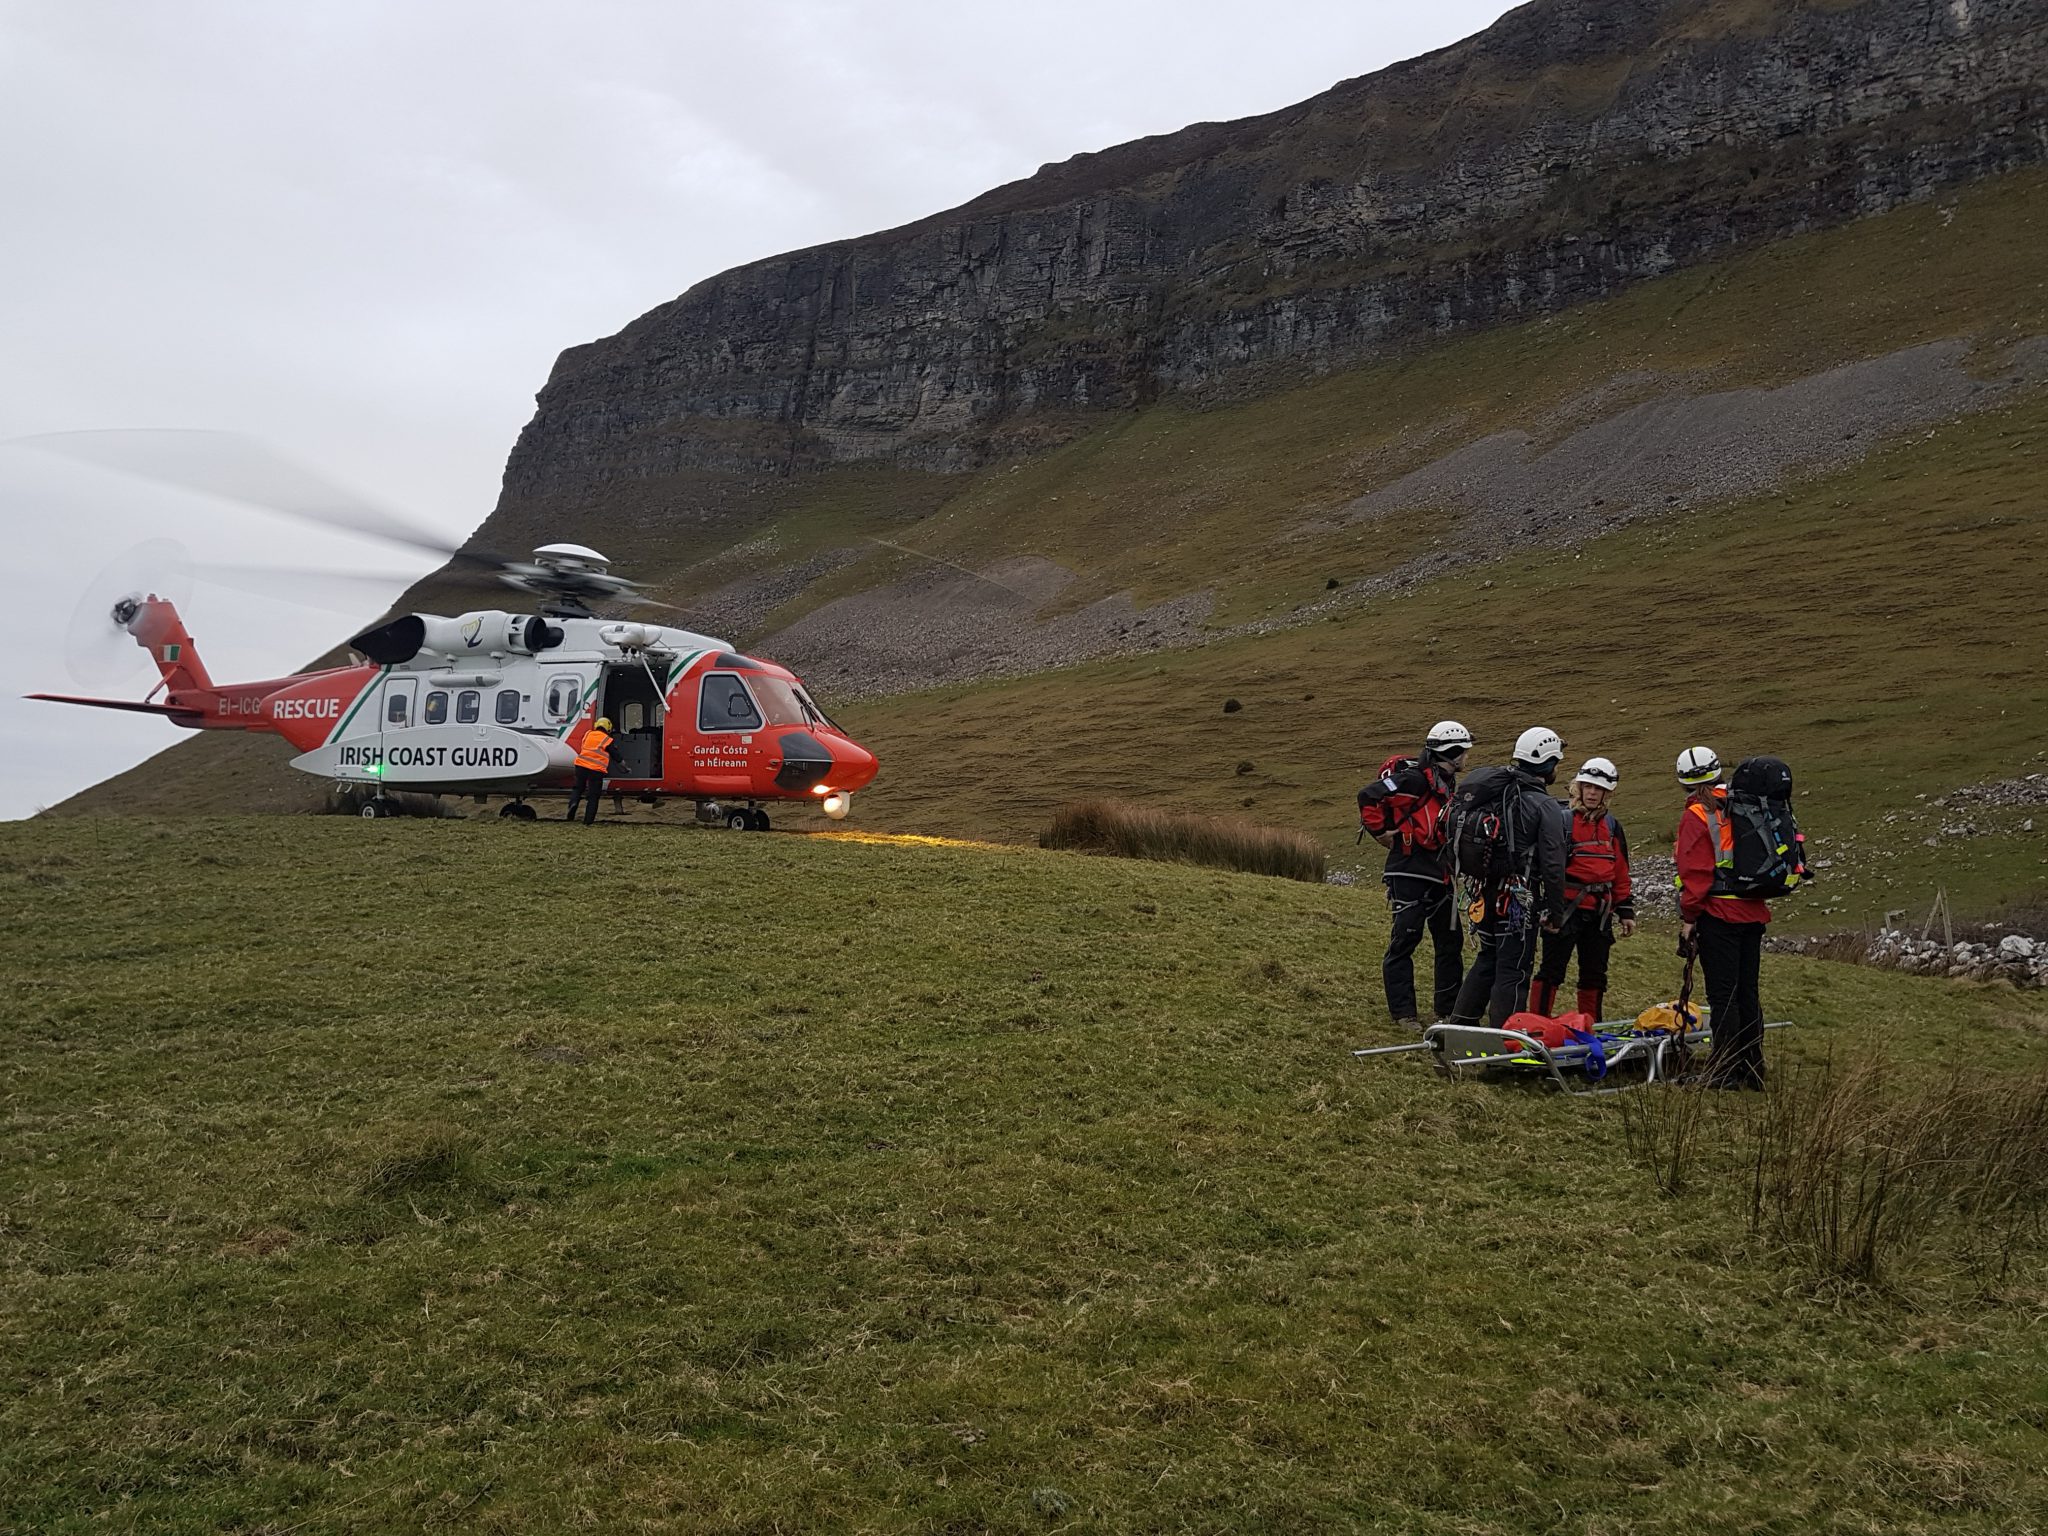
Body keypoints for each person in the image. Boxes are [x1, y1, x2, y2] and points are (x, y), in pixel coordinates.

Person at [1444, 726, 1568, 1029]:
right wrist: (1556, 910)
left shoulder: (1495, 792)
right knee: (1514, 969)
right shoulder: (1544, 805)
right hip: (1518, 899)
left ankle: (1460, 1025)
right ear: (1549, 763)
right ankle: (1508, 1041)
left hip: (1484, 891)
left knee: (1487, 958)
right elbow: (1553, 864)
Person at [1358, 720, 1472, 1029]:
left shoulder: (1447, 784)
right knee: (1404, 942)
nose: (1467, 758)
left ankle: (1448, 1012)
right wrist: (1380, 832)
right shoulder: (1413, 780)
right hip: (1408, 871)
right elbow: (1368, 795)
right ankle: (1404, 1014)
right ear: (1453, 752)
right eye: (1465, 752)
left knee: (1450, 943)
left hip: (1440, 873)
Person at [1674, 744, 1771, 1089]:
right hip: (1753, 912)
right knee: (1747, 992)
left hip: (1718, 914)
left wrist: (1689, 919)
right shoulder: (1744, 805)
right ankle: (1752, 1066)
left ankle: (1725, 1068)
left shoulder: (1696, 815)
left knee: (1723, 995)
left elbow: (1696, 874)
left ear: (1683, 779)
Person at [1528, 756, 1636, 1022]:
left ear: (1606, 794)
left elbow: (1620, 871)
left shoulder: (1612, 827)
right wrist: (1547, 909)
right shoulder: (1562, 822)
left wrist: (1625, 910)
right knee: (1552, 970)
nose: (1591, 792)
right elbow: (1548, 869)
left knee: (1595, 975)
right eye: (1587, 786)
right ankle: (1536, 1027)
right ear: (1578, 787)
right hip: (1564, 911)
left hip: (1599, 913)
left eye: (1598, 789)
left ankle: (1591, 1028)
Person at [565, 715, 616, 825]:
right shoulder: (607, 739)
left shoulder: (588, 734)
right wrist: (625, 768)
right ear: (608, 728)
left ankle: (573, 804)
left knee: (578, 788)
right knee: (593, 796)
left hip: (581, 766)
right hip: (596, 770)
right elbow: (616, 755)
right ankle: (588, 821)